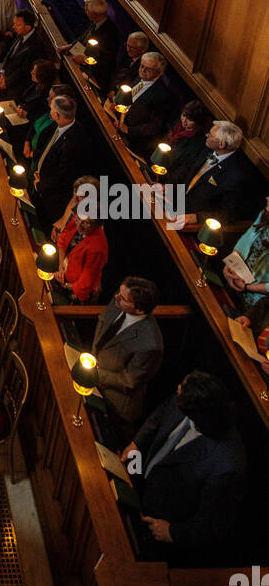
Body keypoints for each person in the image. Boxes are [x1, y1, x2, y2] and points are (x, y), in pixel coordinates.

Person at [124, 371, 246, 562]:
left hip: (160, 526)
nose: (177, 390)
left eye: (180, 392)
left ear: (197, 415)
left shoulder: (227, 465)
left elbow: (212, 525)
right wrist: (136, 444)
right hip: (141, 482)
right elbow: (161, 413)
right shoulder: (190, 393)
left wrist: (173, 532)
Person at [91, 276, 163, 444]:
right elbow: (102, 326)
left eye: (122, 298)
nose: (116, 296)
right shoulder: (118, 301)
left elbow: (129, 381)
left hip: (115, 403)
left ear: (139, 311)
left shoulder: (150, 344)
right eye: (118, 292)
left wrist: (95, 375)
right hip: (96, 375)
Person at [176, 120, 258, 229]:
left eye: (210, 135)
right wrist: (168, 188)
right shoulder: (208, 150)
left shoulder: (235, 175)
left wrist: (196, 217)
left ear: (221, 144)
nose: (207, 135)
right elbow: (188, 172)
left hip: (193, 224)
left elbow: (228, 215)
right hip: (177, 203)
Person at [33, 97, 91, 233]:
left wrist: (40, 185)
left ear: (57, 115)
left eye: (51, 110)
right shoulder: (59, 125)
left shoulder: (74, 142)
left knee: (40, 227)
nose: (50, 112)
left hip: (52, 199)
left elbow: (62, 176)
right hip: (42, 181)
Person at [51, 176, 108, 302]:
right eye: (78, 220)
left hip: (75, 290)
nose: (79, 225)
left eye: (86, 223)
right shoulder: (80, 214)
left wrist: (65, 285)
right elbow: (63, 239)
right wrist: (60, 268)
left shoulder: (97, 246)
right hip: (64, 271)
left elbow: (86, 284)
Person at [112, 51, 177, 158]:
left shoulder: (163, 96)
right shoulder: (139, 77)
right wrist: (116, 103)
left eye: (148, 69)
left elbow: (155, 126)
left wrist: (128, 130)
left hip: (130, 139)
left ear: (160, 72)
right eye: (142, 66)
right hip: (116, 120)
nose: (143, 70)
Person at [154, 99, 214, 186]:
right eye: (184, 115)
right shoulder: (177, 125)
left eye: (190, 120)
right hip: (157, 167)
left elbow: (185, 170)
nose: (184, 121)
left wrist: (167, 186)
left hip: (168, 180)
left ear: (199, 123)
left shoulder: (198, 143)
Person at [223, 196, 269, 308]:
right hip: (236, 281)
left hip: (258, 304)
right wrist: (229, 267)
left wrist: (247, 287)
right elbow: (245, 240)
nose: (267, 198)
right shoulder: (265, 214)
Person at [69, 0, 120, 94]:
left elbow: (106, 60)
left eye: (87, 10)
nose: (85, 12)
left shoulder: (111, 33)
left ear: (95, 14)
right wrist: (70, 46)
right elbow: (84, 38)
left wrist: (84, 59)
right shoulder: (96, 22)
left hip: (97, 75)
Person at [0, 9, 44, 100]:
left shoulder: (36, 45)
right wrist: (2, 72)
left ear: (28, 27)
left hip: (19, 88)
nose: (13, 27)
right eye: (14, 23)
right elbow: (10, 54)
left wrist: (6, 82)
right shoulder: (20, 34)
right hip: (7, 79)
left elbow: (24, 70)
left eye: (17, 25)